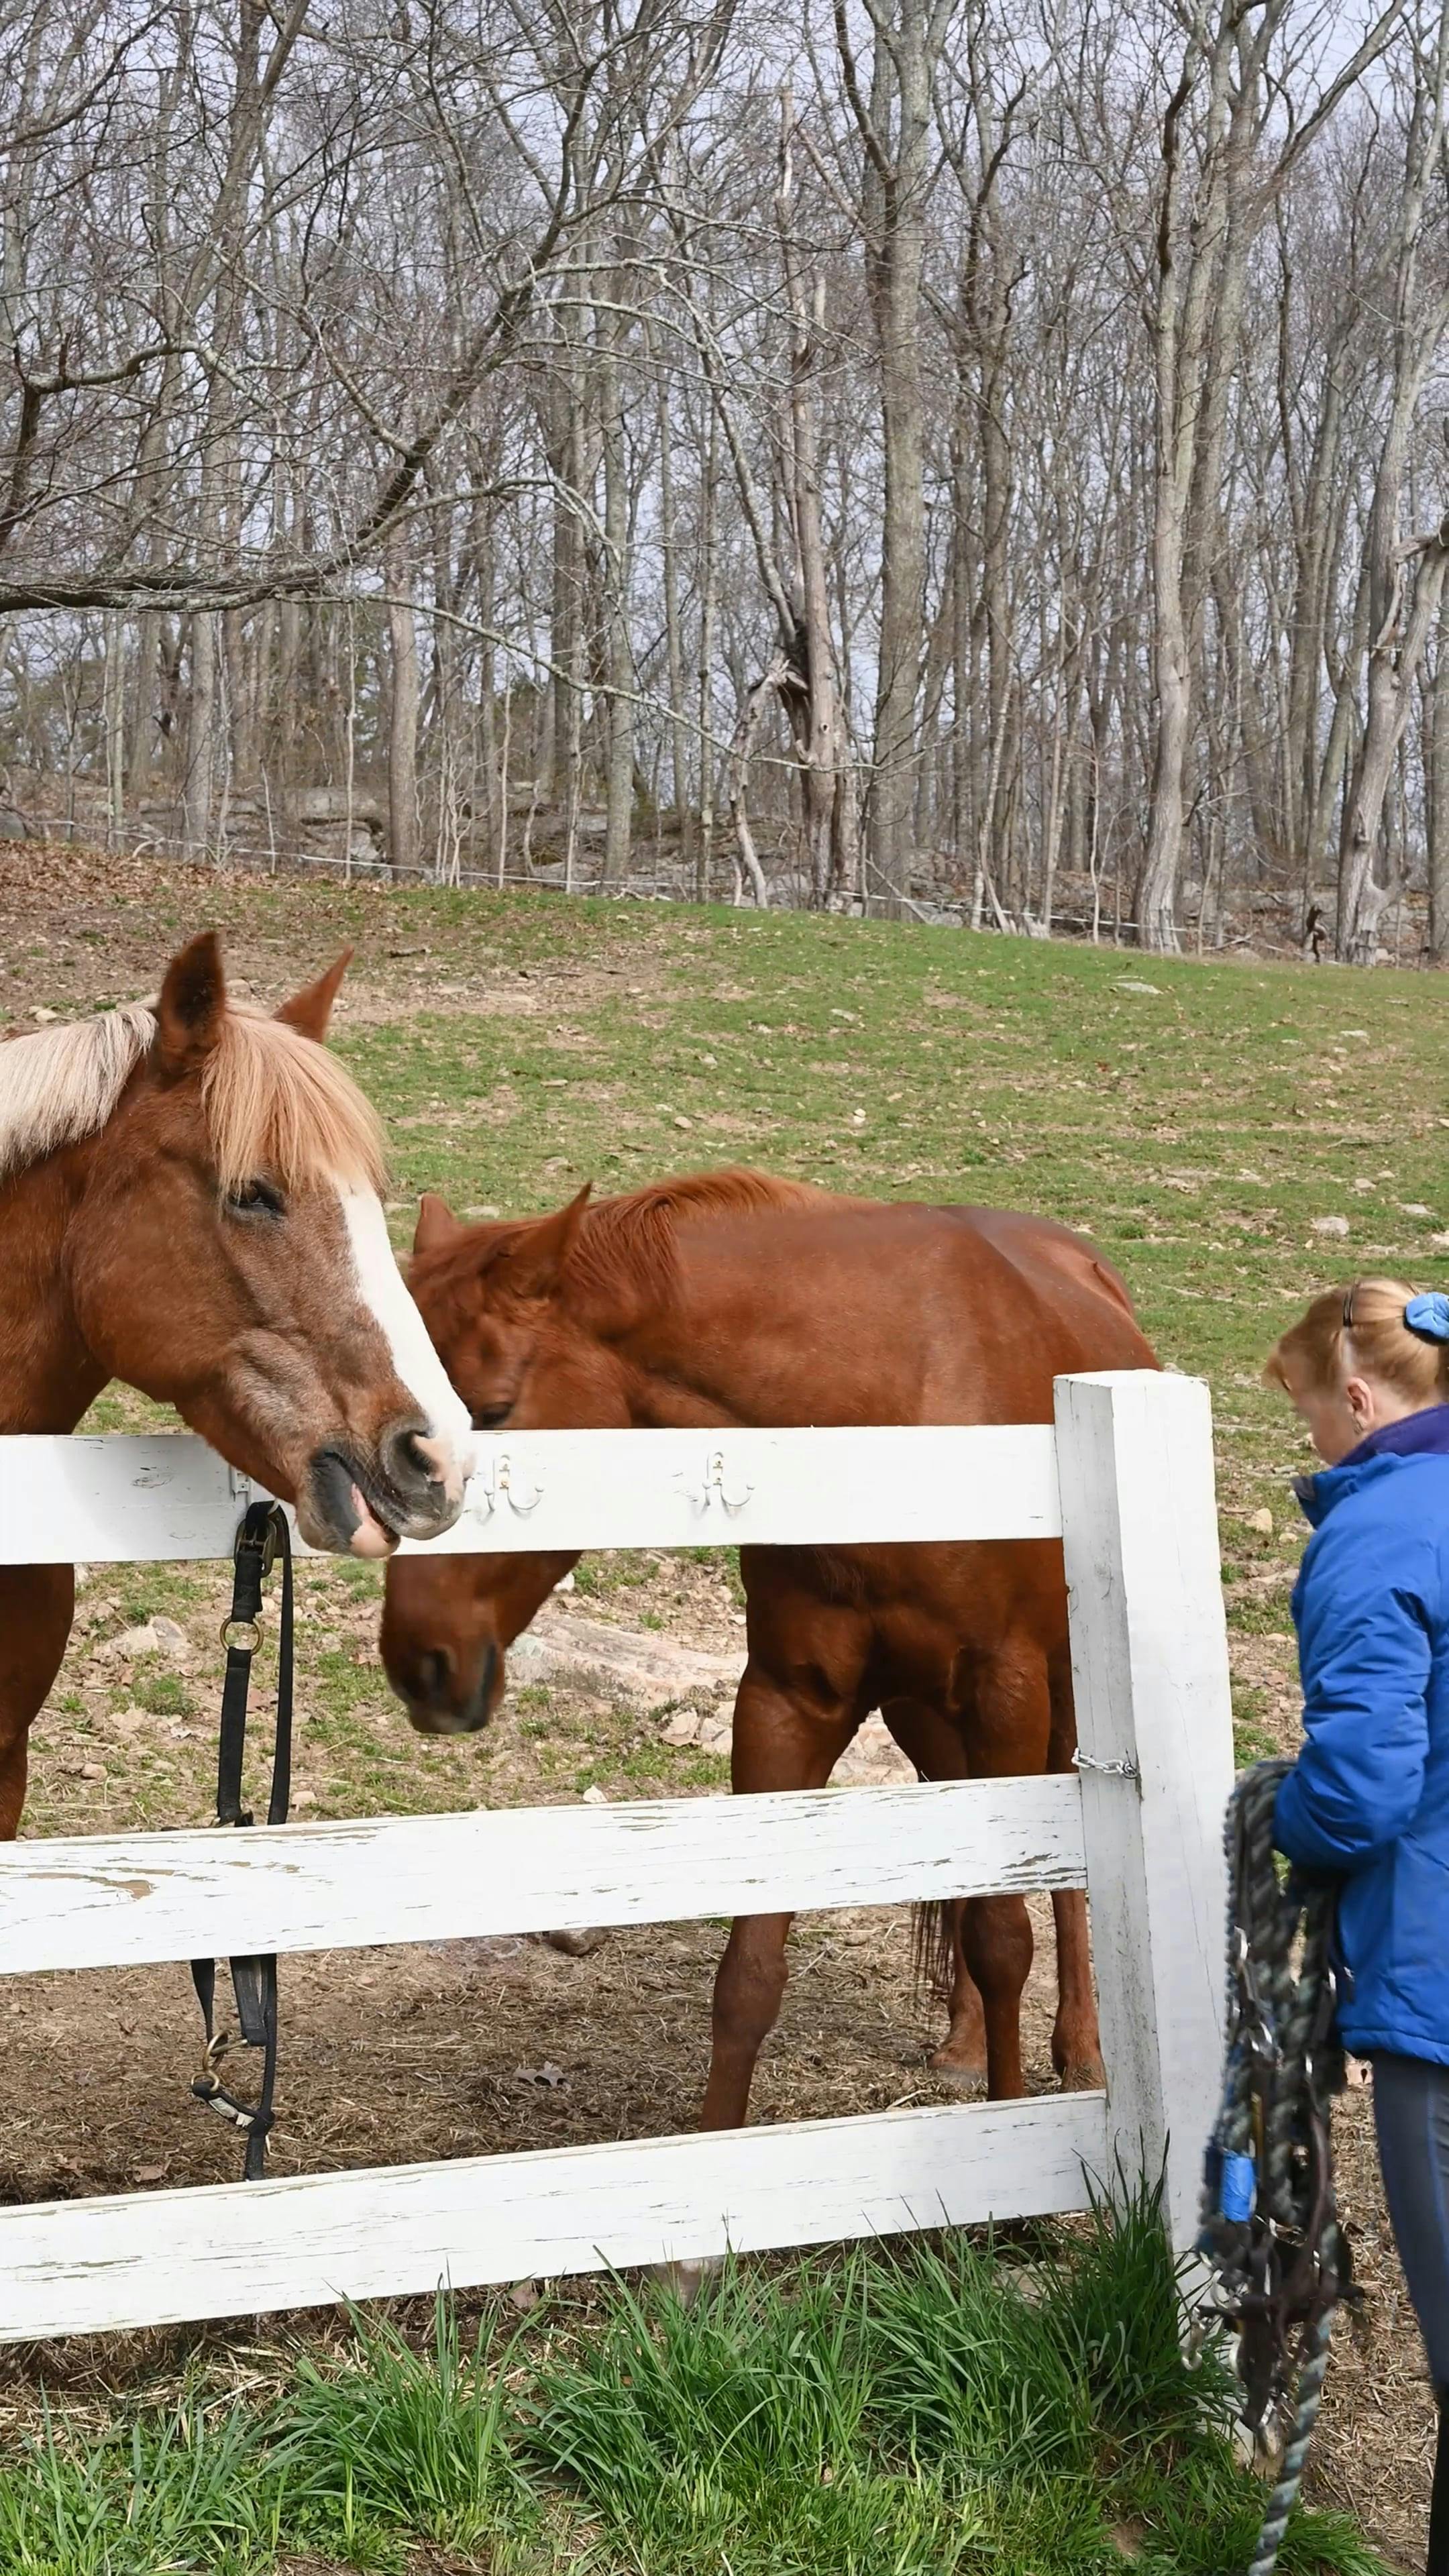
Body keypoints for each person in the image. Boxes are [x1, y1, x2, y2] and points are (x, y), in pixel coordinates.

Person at [1265, 1278, 1449, 2573]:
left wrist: (1290, 1821)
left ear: (1363, 1398)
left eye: (1308, 1413)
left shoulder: (1384, 1528)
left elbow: (1367, 1783)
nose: (1313, 1440)